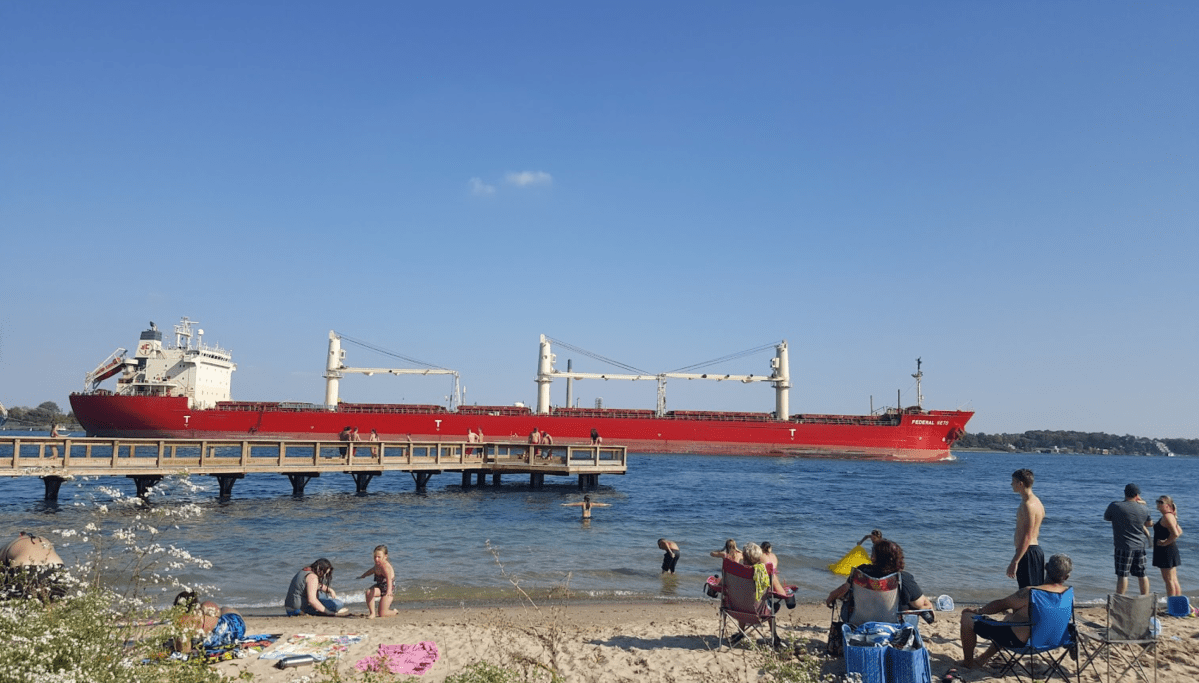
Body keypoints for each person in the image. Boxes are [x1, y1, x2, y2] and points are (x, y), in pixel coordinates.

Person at [959, 553, 1073, 669]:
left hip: (1021, 643)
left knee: (967, 617)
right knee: (1009, 617)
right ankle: (983, 658)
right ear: (1067, 577)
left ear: (1046, 567)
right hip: (1051, 643)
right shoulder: (1069, 595)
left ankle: (968, 663)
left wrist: (978, 611)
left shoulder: (1031, 593)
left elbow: (1001, 605)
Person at [825, 539, 934, 617]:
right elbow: (921, 605)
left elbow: (843, 589)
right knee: (916, 603)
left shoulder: (860, 572)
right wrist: (928, 606)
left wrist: (830, 598)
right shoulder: (903, 578)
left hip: (859, 620)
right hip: (894, 624)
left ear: (873, 558)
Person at [1104, 483, 1152, 595]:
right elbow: (1149, 524)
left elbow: (1107, 517)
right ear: (1137, 495)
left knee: (1123, 575)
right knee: (1142, 574)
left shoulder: (1115, 505)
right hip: (1140, 545)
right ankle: (1145, 598)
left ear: (1125, 493)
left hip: (1123, 545)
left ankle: (1120, 599)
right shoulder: (1144, 508)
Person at [0, 531, 67, 599]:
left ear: (20, 535)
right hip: (56, 565)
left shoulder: (11, 544)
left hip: (24, 566)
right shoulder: (45, 541)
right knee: (57, 601)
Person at [1007, 468, 1045, 588]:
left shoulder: (1028, 505)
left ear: (1020, 484)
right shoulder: (1037, 502)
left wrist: (1015, 561)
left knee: (1027, 592)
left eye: (1013, 482)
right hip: (1032, 551)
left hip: (1028, 553)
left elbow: (1028, 535)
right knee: (1032, 591)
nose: (1011, 484)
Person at [284, 558, 349, 616]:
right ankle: (332, 610)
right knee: (338, 604)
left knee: (323, 594)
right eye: (325, 573)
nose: (324, 576)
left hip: (290, 608)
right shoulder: (313, 577)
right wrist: (328, 612)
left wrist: (330, 590)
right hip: (298, 609)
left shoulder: (305, 571)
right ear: (319, 570)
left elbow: (314, 585)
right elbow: (312, 600)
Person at [1152, 495, 1183, 597]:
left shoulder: (1167, 516)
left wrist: (1164, 543)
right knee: (1173, 579)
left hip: (1166, 551)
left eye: (1161, 502)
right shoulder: (1171, 516)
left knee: (1169, 580)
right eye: (1158, 502)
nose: (1158, 504)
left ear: (1168, 505)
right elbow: (1180, 531)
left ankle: (1171, 603)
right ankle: (1177, 603)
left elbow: (1176, 534)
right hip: (1169, 550)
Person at [357, 545, 398, 618]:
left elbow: (389, 579)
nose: (376, 559)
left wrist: (389, 591)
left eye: (379, 557)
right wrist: (363, 576)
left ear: (385, 556)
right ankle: (372, 613)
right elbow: (371, 570)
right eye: (375, 557)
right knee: (369, 592)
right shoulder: (377, 565)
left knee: (382, 614)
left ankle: (394, 611)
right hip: (380, 587)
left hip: (388, 589)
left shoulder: (385, 567)